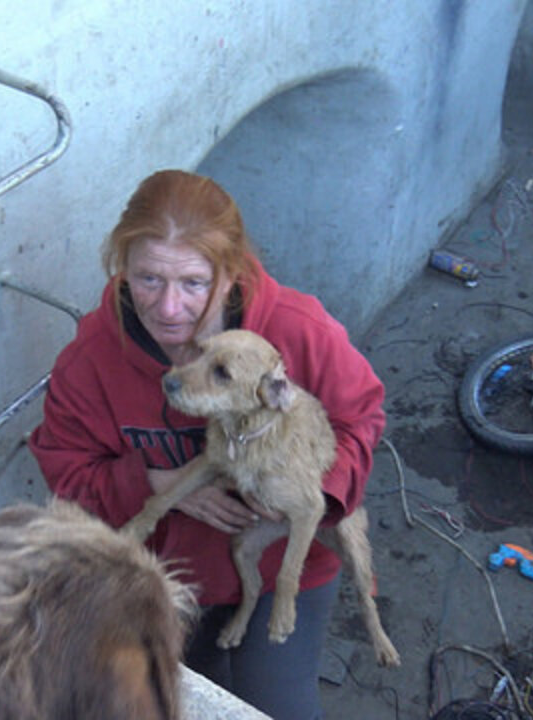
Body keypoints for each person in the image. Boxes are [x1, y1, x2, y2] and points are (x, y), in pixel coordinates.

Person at [28, 169, 386, 720]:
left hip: (280, 571)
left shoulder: (296, 330)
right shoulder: (91, 360)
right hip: (164, 579)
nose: (169, 309)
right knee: (178, 702)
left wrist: (314, 495)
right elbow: (67, 471)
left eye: (194, 283)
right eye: (148, 279)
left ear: (232, 270)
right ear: (121, 267)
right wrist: (152, 481)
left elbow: (361, 417)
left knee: (280, 710)